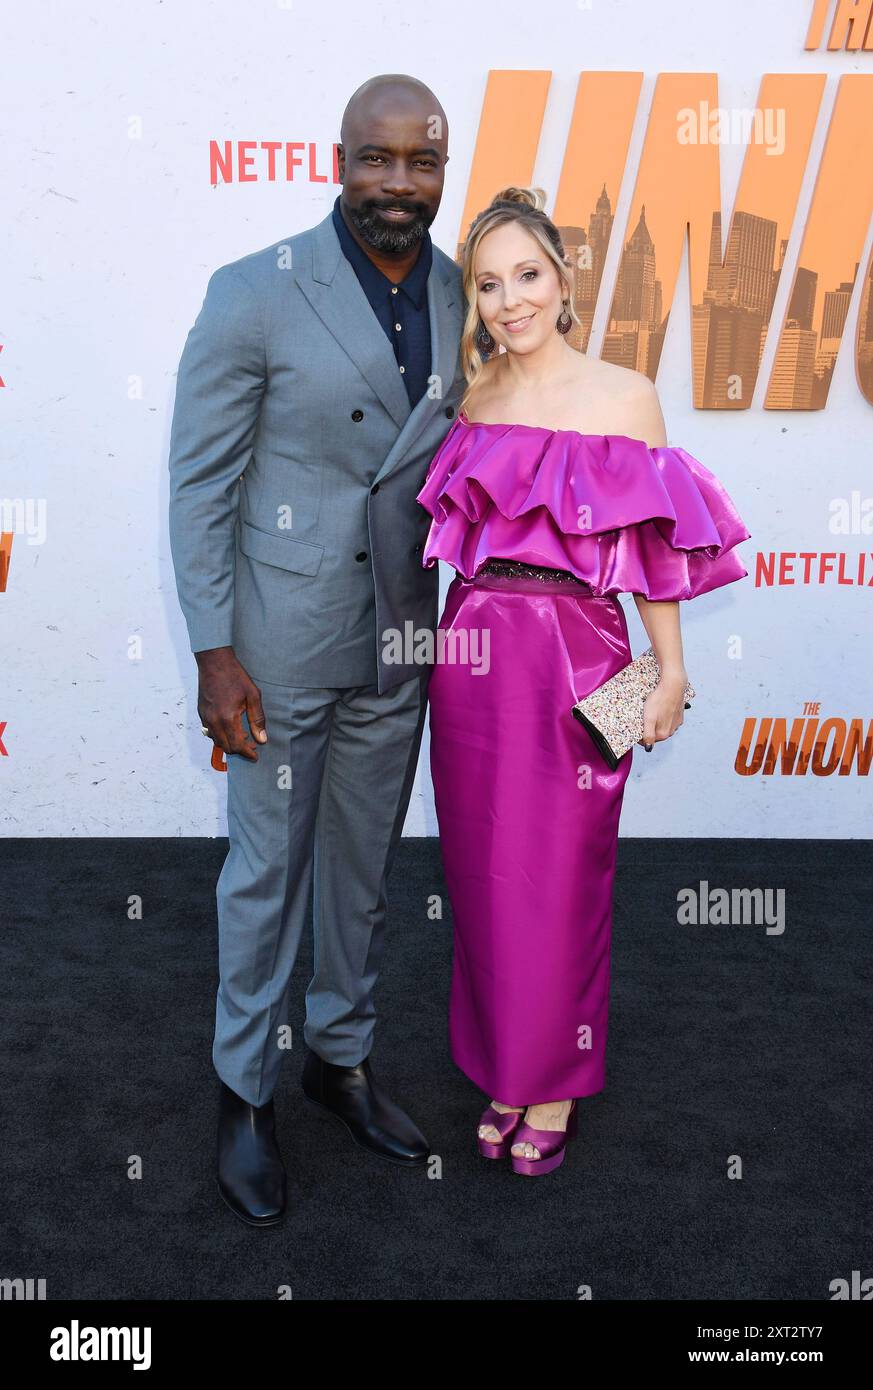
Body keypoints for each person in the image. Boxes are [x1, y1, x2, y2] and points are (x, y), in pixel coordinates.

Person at [167, 74, 467, 1225]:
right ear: (337, 160)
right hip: (278, 646)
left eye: (421, 162)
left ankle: (338, 1059)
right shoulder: (255, 292)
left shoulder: (458, 292)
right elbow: (200, 484)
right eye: (376, 159)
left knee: (361, 873)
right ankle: (243, 1093)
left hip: (399, 635)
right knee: (264, 875)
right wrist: (213, 649)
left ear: (444, 171)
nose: (398, 184)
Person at [416, 186, 751, 1177]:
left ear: (563, 280)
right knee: (480, 881)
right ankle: (505, 1071)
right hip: (472, 658)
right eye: (487, 284)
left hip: (579, 661)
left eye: (527, 275)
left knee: (558, 883)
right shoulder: (474, 401)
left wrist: (671, 670)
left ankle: (555, 1080)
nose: (509, 300)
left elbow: (657, 550)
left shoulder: (625, 394)